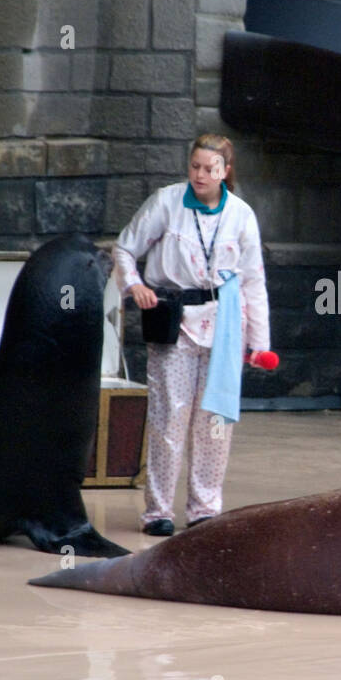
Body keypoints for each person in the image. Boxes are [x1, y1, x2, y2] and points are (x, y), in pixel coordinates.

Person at [112, 134, 270, 535]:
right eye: (195, 166)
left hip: (225, 324)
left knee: (214, 422)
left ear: (225, 171)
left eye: (209, 168)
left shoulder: (241, 215)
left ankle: (204, 509)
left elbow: (253, 281)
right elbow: (125, 249)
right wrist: (135, 286)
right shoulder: (167, 202)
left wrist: (260, 343)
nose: (200, 175)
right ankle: (158, 511)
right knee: (170, 418)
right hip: (174, 320)